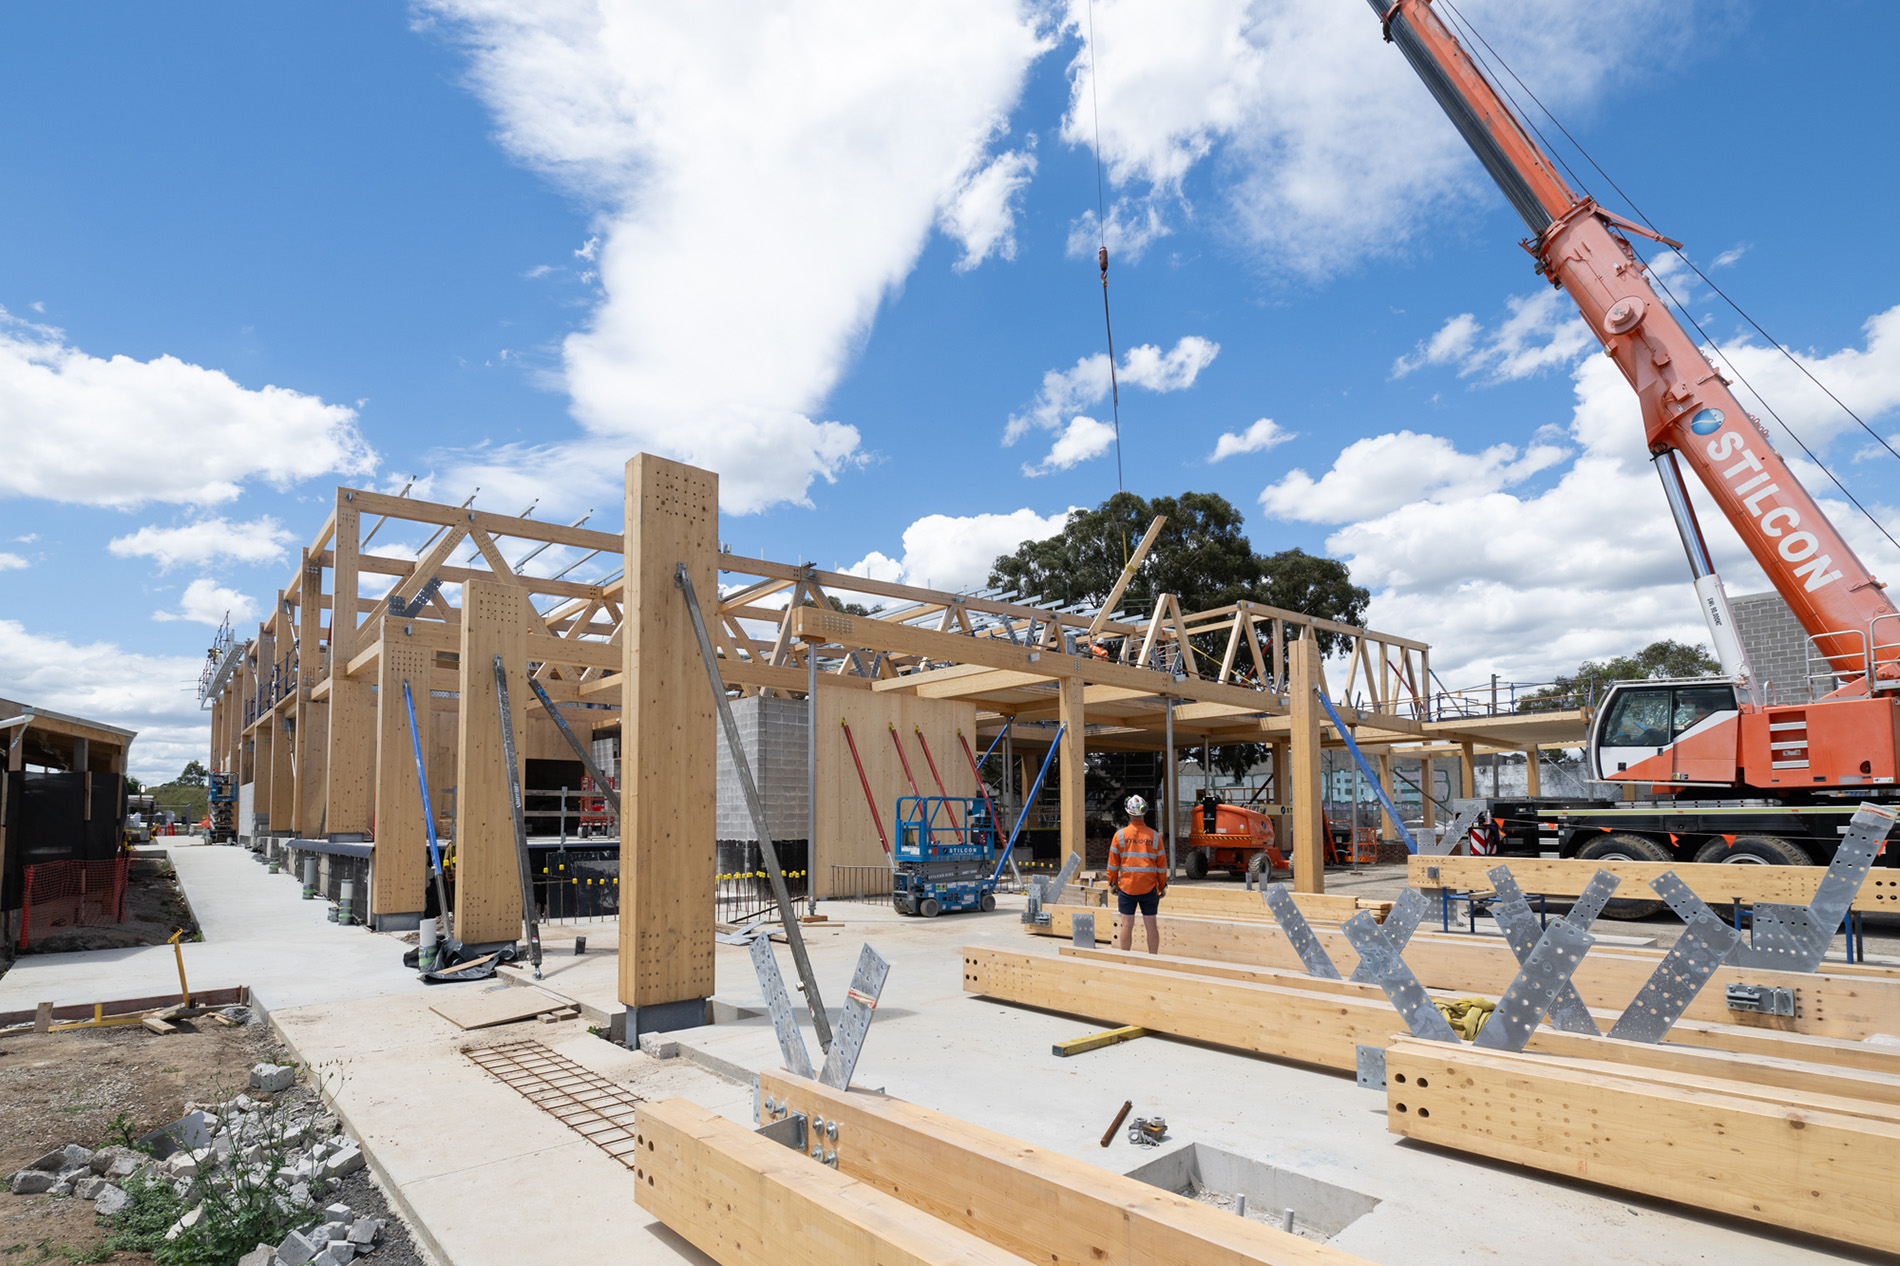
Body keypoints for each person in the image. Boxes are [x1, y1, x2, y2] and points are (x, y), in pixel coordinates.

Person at [1107, 794, 1167, 953]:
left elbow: (1113, 865)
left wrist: (1112, 883)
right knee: (1151, 925)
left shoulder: (1119, 836)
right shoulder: (1155, 836)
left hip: (1127, 888)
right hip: (1149, 888)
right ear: (1144, 813)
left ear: (1128, 813)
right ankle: (1153, 959)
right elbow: (1161, 866)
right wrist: (1162, 886)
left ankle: (1125, 959)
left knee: (1126, 924)